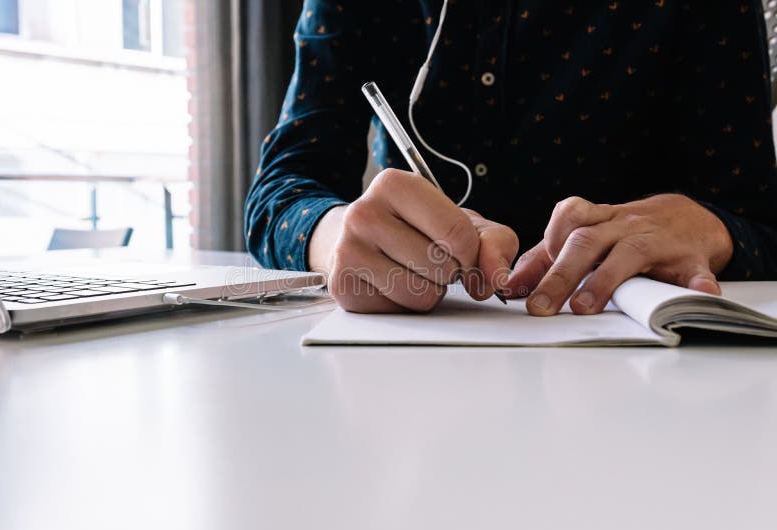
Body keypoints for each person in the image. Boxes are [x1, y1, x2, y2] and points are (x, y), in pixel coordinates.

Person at [245, 0, 777, 315]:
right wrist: (342, 237)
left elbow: (758, 222)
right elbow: (280, 190)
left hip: (647, 378)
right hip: (415, 372)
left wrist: (709, 228)